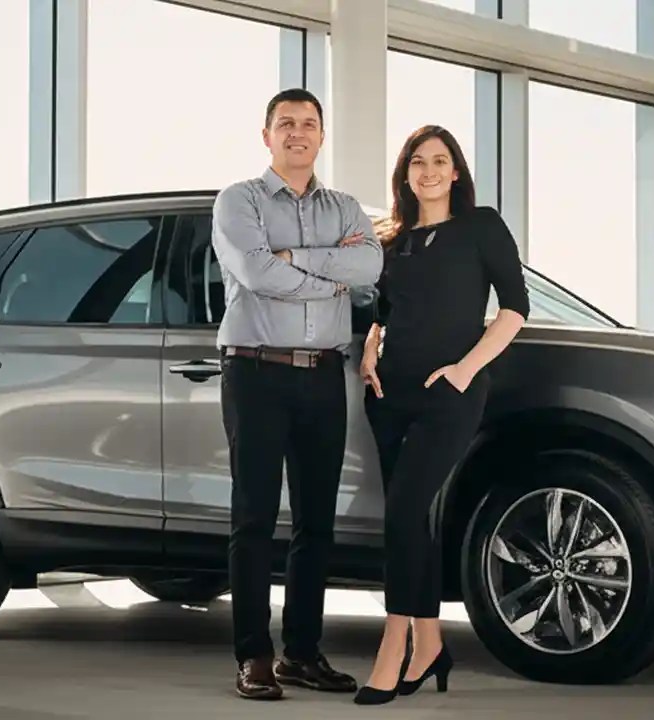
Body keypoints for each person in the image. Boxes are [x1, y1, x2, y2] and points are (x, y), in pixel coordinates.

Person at [210, 87, 384, 701]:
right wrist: (328, 276)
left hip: (322, 375)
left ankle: (302, 654)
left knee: (317, 523)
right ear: (267, 136)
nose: (297, 133)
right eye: (285, 124)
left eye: (308, 123)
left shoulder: (345, 208)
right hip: (255, 372)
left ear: (321, 135)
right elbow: (256, 273)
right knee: (254, 517)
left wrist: (299, 261)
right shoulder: (240, 200)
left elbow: (369, 270)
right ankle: (253, 656)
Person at [352, 125, 530, 706]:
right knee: (412, 520)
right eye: (416, 162)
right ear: (405, 174)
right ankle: (429, 646)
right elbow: (383, 309)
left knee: (405, 512)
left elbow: (514, 308)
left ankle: (394, 643)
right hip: (388, 395)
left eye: (439, 161)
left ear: (456, 172)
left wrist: (465, 369)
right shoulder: (391, 241)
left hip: (448, 395)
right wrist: (370, 348)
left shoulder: (481, 227)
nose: (428, 171)